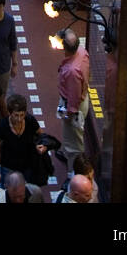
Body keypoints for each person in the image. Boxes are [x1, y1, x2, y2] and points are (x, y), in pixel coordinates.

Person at [0, 93, 48, 185]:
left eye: (22, 115)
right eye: (16, 115)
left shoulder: (30, 121)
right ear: (10, 113)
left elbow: (41, 136)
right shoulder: (2, 126)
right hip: (8, 165)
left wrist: (43, 146)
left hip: (27, 165)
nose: (19, 119)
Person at [57, 29, 90, 171]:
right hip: (81, 98)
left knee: (74, 145)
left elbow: (74, 100)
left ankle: (74, 172)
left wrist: (68, 115)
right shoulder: (82, 51)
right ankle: (67, 152)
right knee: (70, 137)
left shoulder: (72, 71)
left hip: (73, 106)